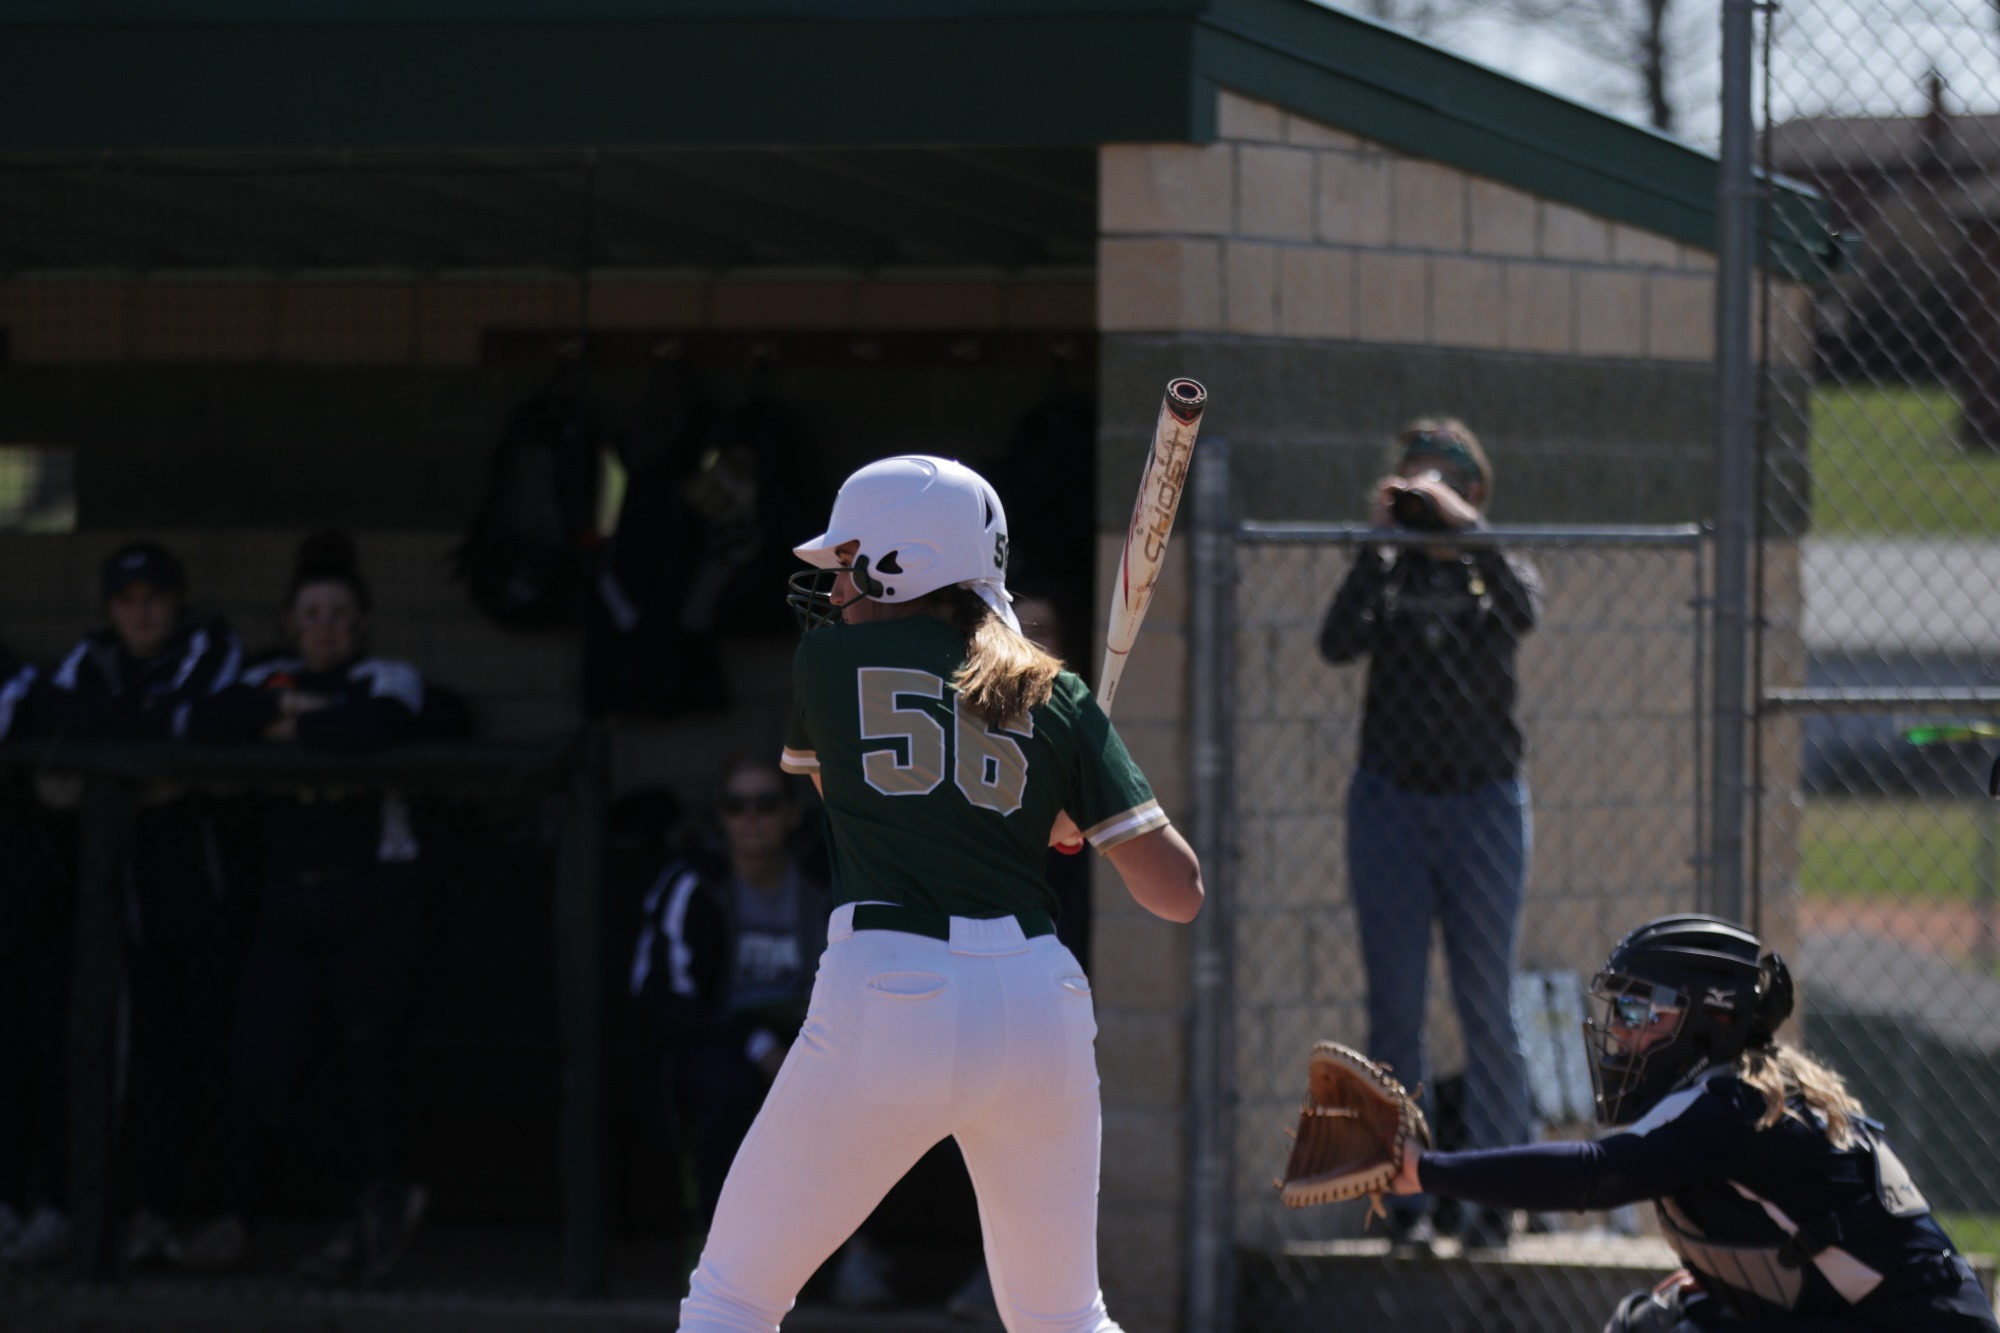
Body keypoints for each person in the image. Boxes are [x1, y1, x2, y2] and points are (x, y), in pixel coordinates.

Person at [678, 454, 1204, 1333]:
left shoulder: (827, 661)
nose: (836, 582)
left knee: (732, 1296)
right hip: (1042, 1001)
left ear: (902, 562)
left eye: (850, 560)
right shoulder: (1056, 689)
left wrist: (1032, 811)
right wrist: (1063, 808)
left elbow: (860, 800)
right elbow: (1177, 893)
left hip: (892, 987)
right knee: (1065, 1315)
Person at [1389, 914, 2000, 1332]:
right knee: (1668, 1311)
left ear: (1705, 1022)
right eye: (1618, 1009)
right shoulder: (1738, 1092)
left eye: (1637, 1009)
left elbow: (1591, 1177)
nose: (1620, 1029)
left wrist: (1425, 1171)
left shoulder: (1727, 1109)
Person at [182, 532, 435, 1283]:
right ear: (291, 622)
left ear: (360, 622)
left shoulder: (389, 675)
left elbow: (377, 727)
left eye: (339, 613)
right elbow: (208, 720)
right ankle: (374, 1196)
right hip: (286, 905)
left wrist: (286, 721)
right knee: (262, 1072)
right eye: (310, 613)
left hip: (376, 902)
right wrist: (294, 703)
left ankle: (368, 1230)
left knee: (365, 1063)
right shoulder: (263, 674)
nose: (324, 624)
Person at [1318, 417, 1541, 1252]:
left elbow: (1523, 609)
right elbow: (1336, 643)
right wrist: (1377, 543)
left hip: (1483, 805)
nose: (1426, 498)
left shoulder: (1496, 568)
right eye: (1414, 480)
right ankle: (1404, 1205)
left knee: (1488, 1008)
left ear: (1472, 494)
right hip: (1391, 805)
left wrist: (1464, 530)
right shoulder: (1388, 573)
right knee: (1395, 1012)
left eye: (1439, 484)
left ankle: (1493, 1202)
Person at [35, 541, 247, 1269]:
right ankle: (144, 1213)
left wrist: (120, 739)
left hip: (210, 901)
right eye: (127, 600)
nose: (142, 611)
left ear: (176, 600)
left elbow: (211, 714)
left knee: (224, 1055)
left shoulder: (210, 640)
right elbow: (50, 713)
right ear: (110, 608)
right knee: (143, 1065)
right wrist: (146, 735)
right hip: (121, 913)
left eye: (155, 597)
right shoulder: (88, 656)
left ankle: (230, 1215)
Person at [629, 753, 828, 1271]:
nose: (752, 818)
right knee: (730, 1086)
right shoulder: (693, 883)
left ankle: (853, 1258)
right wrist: (753, 1041)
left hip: (817, 1041)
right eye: (736, 806)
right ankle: (721, 1259)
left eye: (766, 804)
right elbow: (660, 997)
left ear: (791, 813)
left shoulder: (823, 882)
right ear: (720, 817)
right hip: (718, 1046)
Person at [0, 641, 73, 1270]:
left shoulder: (25, 681)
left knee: (42, 1054)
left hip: (29, 911)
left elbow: (47, 708)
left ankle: (51, 1206)